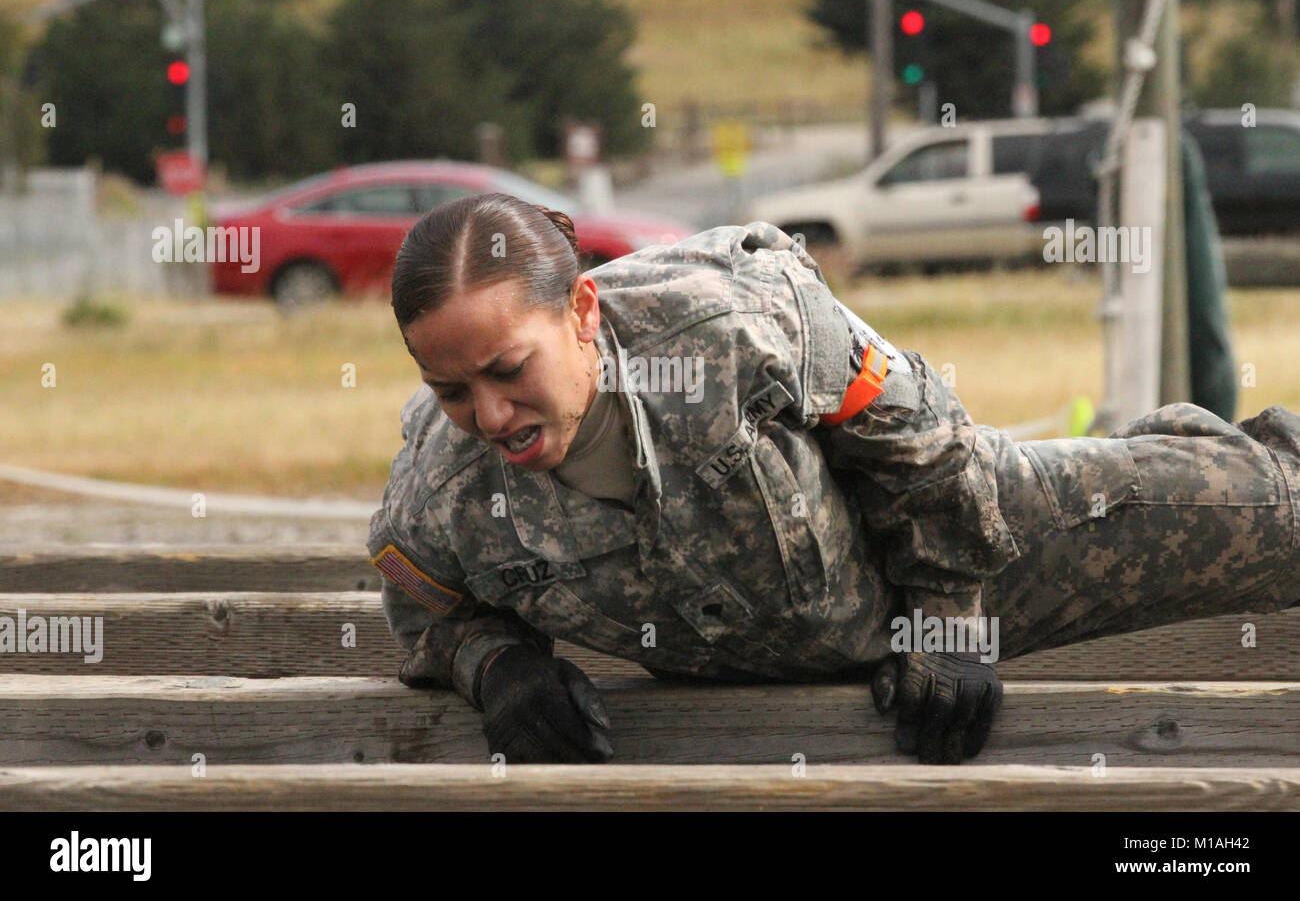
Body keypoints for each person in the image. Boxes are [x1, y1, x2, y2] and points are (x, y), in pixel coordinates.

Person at [368, 192, 1300, 765]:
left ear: (581, 311)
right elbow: (425, 610)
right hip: (749, 677)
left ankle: (1229, 457)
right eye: (449, 389)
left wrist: (947, 616)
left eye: (506, 371)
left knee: (1275, 522)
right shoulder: (441, 490)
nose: (489, 416)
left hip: (968, 551)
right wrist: (495, 669)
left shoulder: (726, 327)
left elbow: (923, 440)